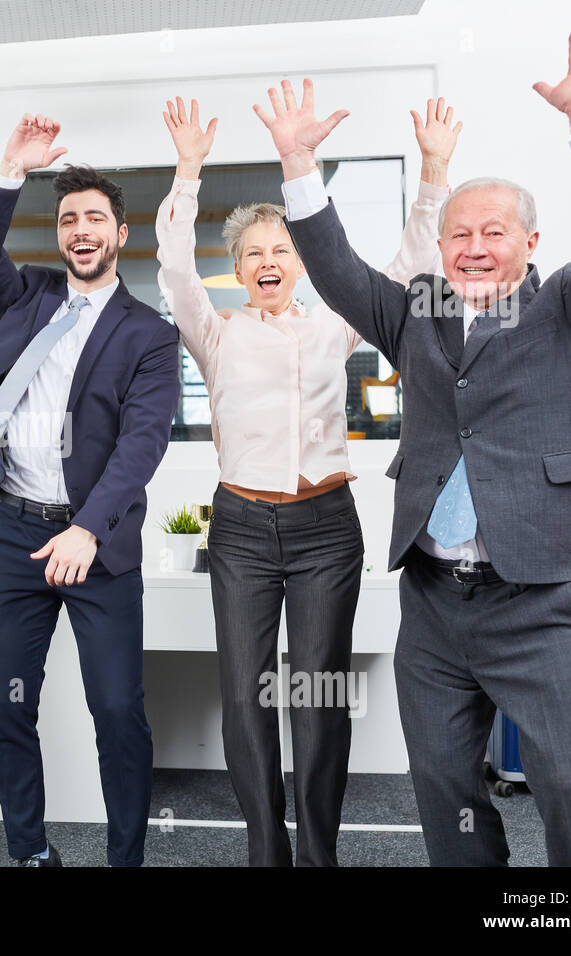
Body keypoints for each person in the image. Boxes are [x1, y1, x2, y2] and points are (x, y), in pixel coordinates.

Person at [259, 17, 571, 865]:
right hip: (436, 602)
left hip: (544, 601)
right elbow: (336, 272)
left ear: (530, 243)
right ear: (441, 248)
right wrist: (299, 168)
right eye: (460, 236)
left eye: (494, 233)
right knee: (443, 788)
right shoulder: (417, 314)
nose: (474, 248)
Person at [155, 95, 458, 866]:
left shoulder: (335, 323)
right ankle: (267, 848)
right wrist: (188, 169)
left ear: (300, 261)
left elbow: (404, 268)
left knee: (319, 697)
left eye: (282, 250)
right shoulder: (212, 331)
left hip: (326, 527)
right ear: (238, 267)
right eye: (253, 252)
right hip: (244, 531)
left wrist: (432, 173)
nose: (267, 262)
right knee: (245, 697)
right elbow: (172, 263)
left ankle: (319, 850)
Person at [0, 115, 181, 867]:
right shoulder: (29, 297)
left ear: (120, 233)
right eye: (69, 219)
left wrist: (88, 529)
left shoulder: (148, 333)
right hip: (15, 535)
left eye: (95, 219)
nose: (81, 230)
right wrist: (9, 167)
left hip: (98, 546)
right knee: (7, 705)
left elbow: (141, 444)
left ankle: (125, 859)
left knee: (117, 711)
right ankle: (30, 854)